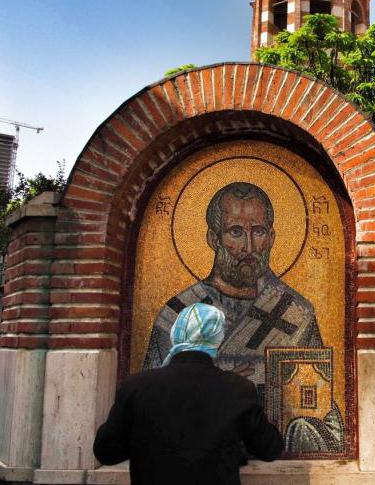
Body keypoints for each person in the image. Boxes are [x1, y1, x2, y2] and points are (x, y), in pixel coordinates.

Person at [141, 182, 344, 454]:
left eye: (258, 231)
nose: (249, 246)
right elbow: (153, 409)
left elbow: (325, 424)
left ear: (271, 237)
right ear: (214, 238)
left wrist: (297, 426)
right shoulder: (178, 314)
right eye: (235, 232)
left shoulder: (295, 313)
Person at [94, 303, 283, 485]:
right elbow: (269, 448)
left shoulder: (136, 386)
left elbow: (106, 452)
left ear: (176, 334)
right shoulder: (238, 389)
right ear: (217, 339)